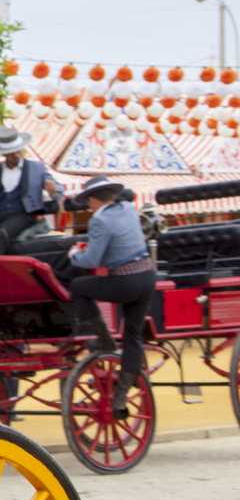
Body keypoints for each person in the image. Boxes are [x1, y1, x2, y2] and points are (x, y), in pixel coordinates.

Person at [60, 176, 155, 412]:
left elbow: (92, 260)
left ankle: (104, 339)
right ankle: (121, 395)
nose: (88, 206)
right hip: (147, 276)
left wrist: (74, 254)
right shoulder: (128, 208)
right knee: (133, 335)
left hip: (125, 281)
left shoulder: (99, 220)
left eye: (88, 202)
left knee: (80, 287)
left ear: (93, 199)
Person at [0, 128, 60, 256]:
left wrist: (53, 191)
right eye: (10, 153)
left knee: (0, 236)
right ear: (3, 154)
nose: (15, 155)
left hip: (24, 214)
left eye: (17, 151)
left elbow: (59, 190)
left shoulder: (37, 168)